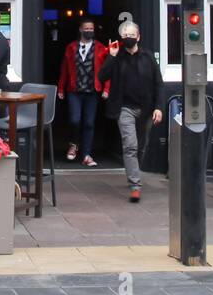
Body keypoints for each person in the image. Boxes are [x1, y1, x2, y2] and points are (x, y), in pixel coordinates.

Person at [98, 21, 163, 203]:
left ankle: (133, 172)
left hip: (146, 109)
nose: (128, 38)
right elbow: (102, 76)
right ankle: (135, 185)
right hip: (124, 108)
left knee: (141, 146)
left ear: (138, 37)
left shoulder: (148, 57)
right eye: (125, 35)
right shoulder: (117, 58)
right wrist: (111, 57)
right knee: (130, 146)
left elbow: (158, 83)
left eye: (131, 35)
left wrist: (159, 107)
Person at [56, 18, 109, 166]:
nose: (89, 31)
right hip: (74, 90)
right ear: (80, 29)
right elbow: (65, 69)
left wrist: (106, 88)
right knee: (75, 120)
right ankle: (73, 144)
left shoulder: (100, 48)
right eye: (86, 28)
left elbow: (106, 70)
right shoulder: (71, 47)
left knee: (89, 123)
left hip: (93, 91)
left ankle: (86, 154)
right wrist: (61, 88)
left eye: (91, 29)